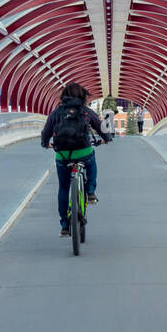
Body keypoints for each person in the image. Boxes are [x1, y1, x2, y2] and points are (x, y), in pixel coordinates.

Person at [40, 82, 112, 237]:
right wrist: (106, 138)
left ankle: (64, 226)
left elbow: (46, 132)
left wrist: (45, 144)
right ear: (83, 96)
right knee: (91, 161)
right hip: (83, 152)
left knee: (63, 187)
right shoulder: (86, 112)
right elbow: (101, 127)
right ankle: (91, 191)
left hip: (62, 155)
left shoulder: (57, 112)